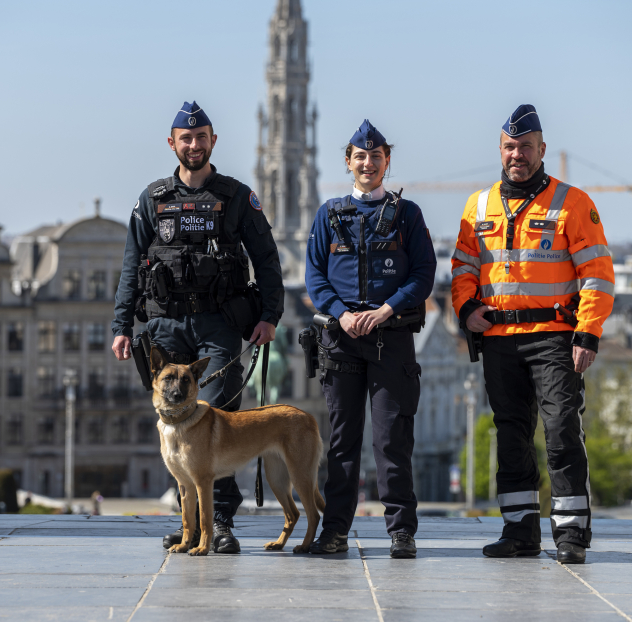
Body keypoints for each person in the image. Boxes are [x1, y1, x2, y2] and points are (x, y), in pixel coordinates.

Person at [112, 101, 284, 554]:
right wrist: (122, 325)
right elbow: (132, 265)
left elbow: (266, 259)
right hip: (165, 327)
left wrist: (270, 316)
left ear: (212, 142)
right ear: (173, 144)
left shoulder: (235, 196)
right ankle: (189, 523)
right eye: (185, 138)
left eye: (201, 137)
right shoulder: (153, 200)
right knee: (174, 424)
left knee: (219, 423)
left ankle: (221, 522)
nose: (194, 144)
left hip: (218, 322)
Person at [450, 104, 615, 564]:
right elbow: (463, 266)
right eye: (509, 146)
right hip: (499, 339)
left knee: (562, 431)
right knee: (510, 436)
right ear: (499, 150)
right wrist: (466, 308)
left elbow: (598, 273)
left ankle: (571, 535)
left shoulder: (573, 202)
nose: (516, 154)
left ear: (542, 150)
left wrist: (588, 332)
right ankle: (520, 531)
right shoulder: (478, 204)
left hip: (555, 337)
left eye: (525, 146)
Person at [305, 120, 436, 559]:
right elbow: (315, 278)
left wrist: (386, 309)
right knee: (343, 441)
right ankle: (335, 530)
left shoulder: (407, 215)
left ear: (387, 162)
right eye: (360, 156)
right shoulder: (329, 215)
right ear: (348, 162)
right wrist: (342, 316)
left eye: (375, 156)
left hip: (391, 338)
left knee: (391, 440)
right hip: (340, 341)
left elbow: (423, 275)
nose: (368, 163)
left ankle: (401, 531)